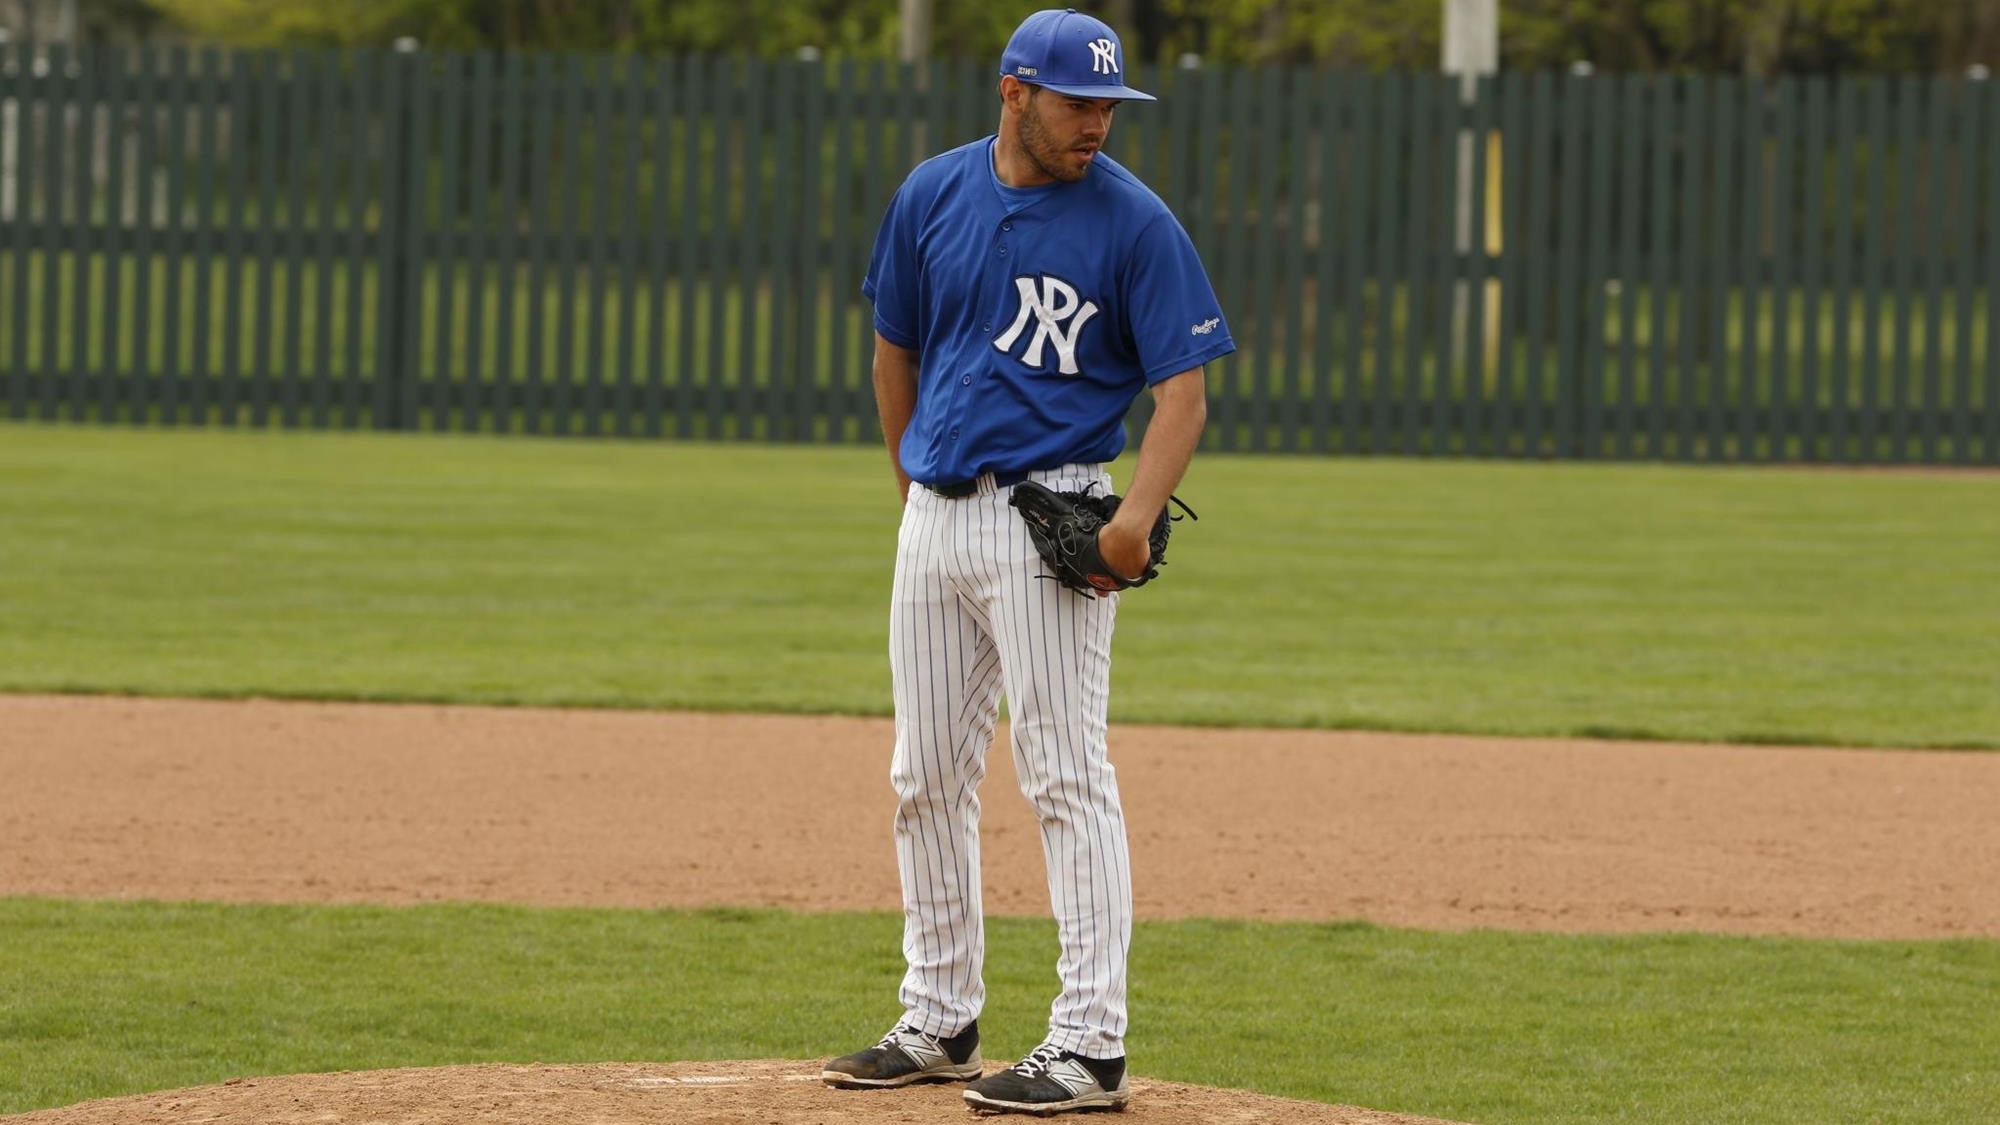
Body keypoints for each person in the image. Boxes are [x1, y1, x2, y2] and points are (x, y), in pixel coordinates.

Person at [819, 7, 1235, 1116]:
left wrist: (1133, 520)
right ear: (1015, 92)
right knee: (923, 774)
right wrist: (912, 495)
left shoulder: (1134, 222)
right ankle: (939, 1015)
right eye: (1076, 102)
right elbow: (894, 351)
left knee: (1062, 773)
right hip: (936, 516)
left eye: (1108, 105)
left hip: (1053, 515)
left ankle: (1090, 1044)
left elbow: (1183, 394)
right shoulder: (933, 193)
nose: (1096, 122)